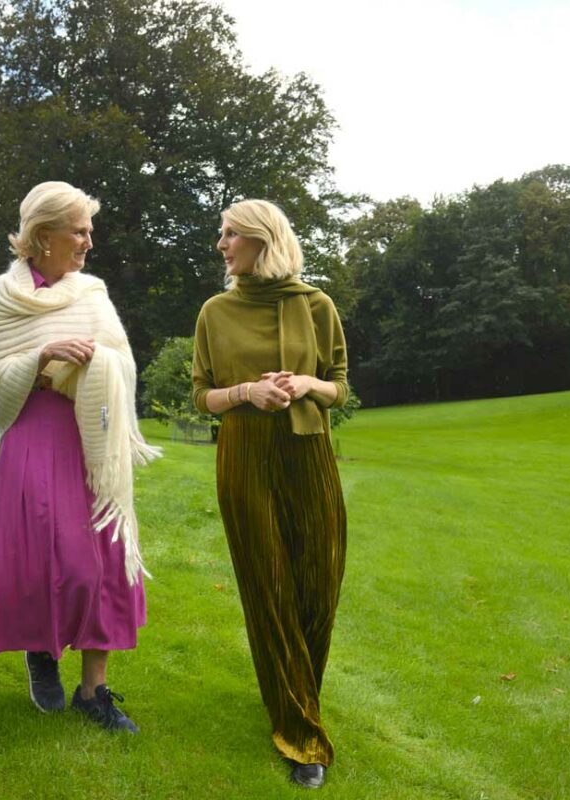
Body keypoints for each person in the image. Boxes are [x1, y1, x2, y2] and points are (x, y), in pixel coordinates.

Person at [0, 181, 159, 733]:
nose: (89, 241)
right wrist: (42, 357)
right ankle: (41, 649)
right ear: (44, 236)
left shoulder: (92, 292)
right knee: (49, 554)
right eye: (79, 231)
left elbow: (123, 362)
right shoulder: (4, 295)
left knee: (102, 560)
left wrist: (94, 364)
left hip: (92, 434)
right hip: (35, 430)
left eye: (90, 230)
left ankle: (94, 690)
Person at [191, 199, 349, 790]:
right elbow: (202, 395)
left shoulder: (317, 305)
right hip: (245, 456)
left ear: (263, 239)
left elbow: (339, 386)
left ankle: (294, 692)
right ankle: (300, 733)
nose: (221, 244)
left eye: (231, 233)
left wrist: (308, 383)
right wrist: (246, 394)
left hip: (309, 454)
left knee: (319, 583)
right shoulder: (215, 311)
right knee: (269, 586)